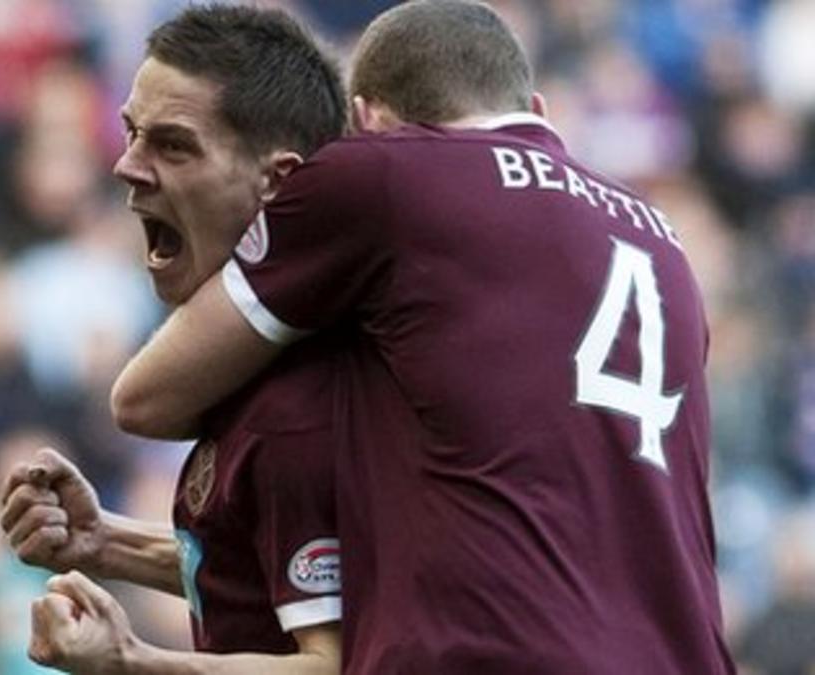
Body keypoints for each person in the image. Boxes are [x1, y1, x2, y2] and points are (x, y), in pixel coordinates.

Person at [111, 1, 736, 673]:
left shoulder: (385, 174)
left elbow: (147, 400)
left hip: (493, 654)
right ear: (536, 110)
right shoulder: (666, 243)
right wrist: (108, 544)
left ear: (368, 119)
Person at [0, 5, 349, 673]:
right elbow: (263, 571)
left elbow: (331, 664)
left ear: (278, 181)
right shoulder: (244, 371)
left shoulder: (301, 409)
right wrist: (106, 543)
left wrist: (131, 660)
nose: (127, 166)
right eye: (132, 134)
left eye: (173, 144)